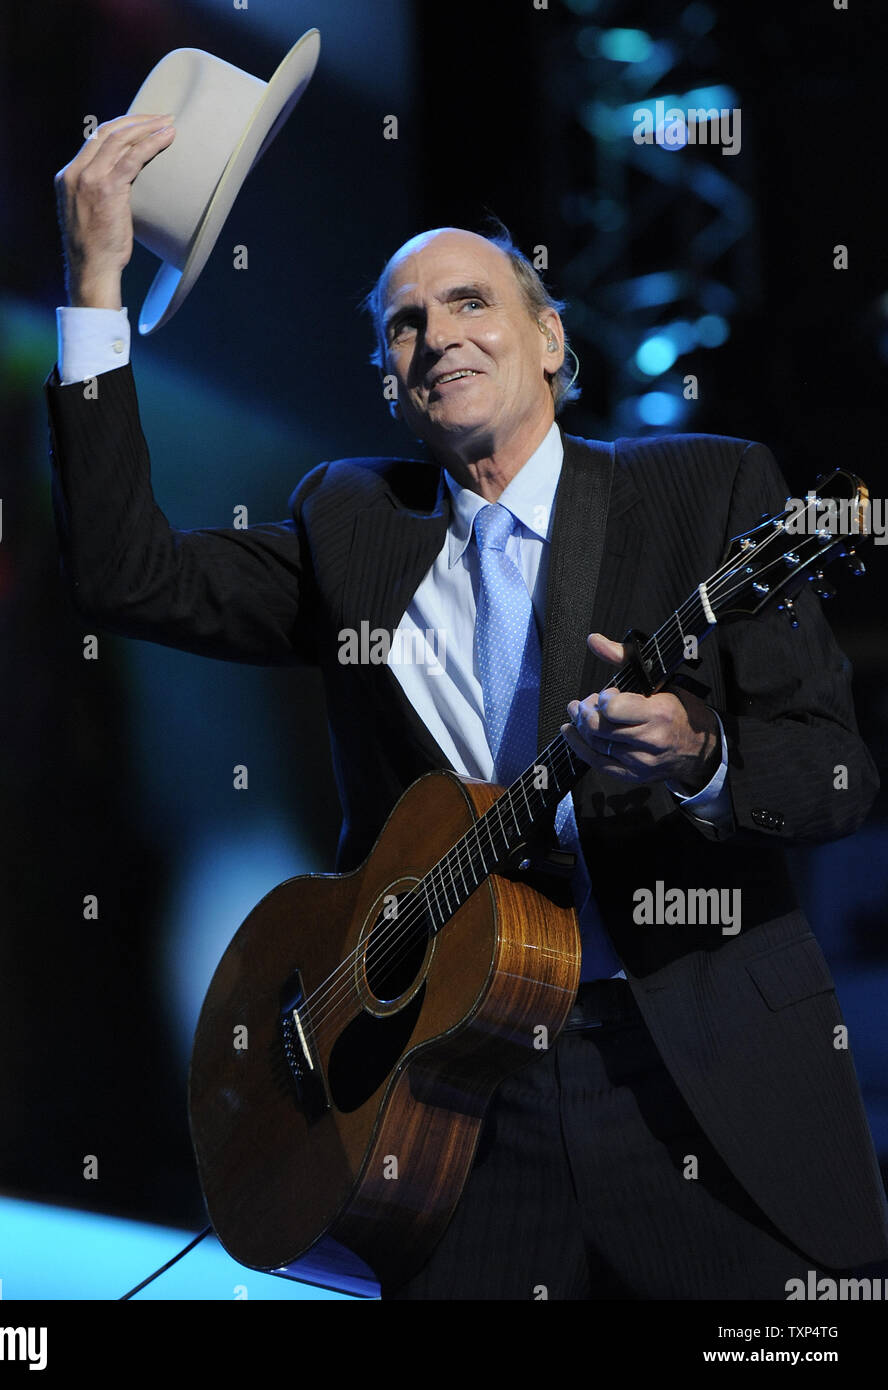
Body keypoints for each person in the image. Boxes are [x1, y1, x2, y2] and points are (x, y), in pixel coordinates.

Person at [47, 115, 888, 1299]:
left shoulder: (703, 487)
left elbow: (834, 778)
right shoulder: (349, 523)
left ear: (549, 340)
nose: (436, 335)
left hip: (692, 1079)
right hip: (450, 1104)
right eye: (405, 325)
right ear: (387, 382)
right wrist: (94, 283)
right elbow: (128, 575)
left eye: (468, 303)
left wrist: (697, 757)